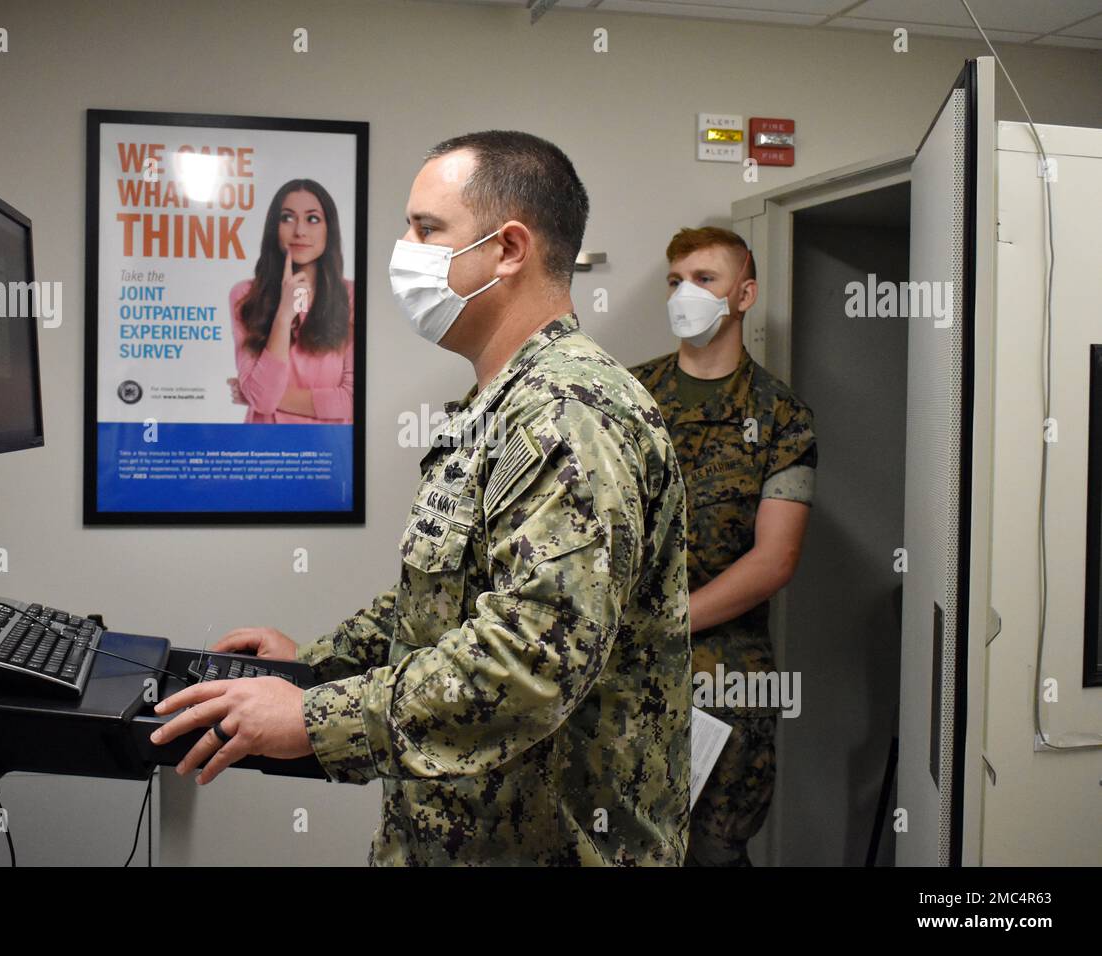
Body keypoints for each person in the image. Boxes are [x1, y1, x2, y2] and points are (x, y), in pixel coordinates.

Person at [150, 130, 692, 866]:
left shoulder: (568, 413)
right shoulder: (498, 403)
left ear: (508, 249)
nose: (403, 249)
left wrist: (313, 716)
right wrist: (314, 663)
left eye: (426, 229)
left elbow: (528, 662)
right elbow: (448, 596)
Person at [628, 226, 817, 867]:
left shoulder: (782, 416)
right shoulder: (626, 399)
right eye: (675, 280)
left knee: (714, 851)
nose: (686, 293)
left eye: (704, 279)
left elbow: (775, 559)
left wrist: (669, 622)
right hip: (623, 673)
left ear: (745, 294)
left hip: (726, 681)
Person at [228, 178, 354, 423]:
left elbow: (349, 402)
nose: (300, 231)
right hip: (264, 450)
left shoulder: (350, 296)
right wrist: (284, 314)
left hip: (325, 453)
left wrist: (256, 394)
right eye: (287, 218)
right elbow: (263, 401)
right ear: (274, 227)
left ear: (330, 228)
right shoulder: (245, 295)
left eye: (312, 219)